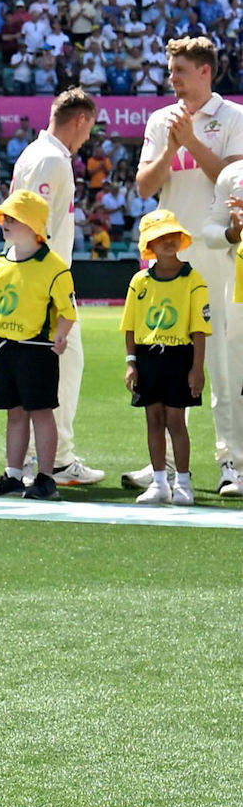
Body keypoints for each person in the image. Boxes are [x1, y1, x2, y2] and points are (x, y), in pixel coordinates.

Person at [133, 39, 243, 495]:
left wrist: (192, 141)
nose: (172, 78)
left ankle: (232, 461)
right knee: (162, 353)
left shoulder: (234, 118)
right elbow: (143, 186)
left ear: (205, 72)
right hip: (167, 253)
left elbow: (234, 180)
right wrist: (169, 146)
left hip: (217, 250)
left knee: (222, 358)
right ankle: (165, 466)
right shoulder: (161, 120)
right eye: (170, 69)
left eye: (179, 69)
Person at [9, 91, 105, 487]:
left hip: (35, 282)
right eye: (90, 127)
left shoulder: (35, 152)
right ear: (80, 119)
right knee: (63, 370)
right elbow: (37, 229)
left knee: (51, 371)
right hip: (47, 286)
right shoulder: (51, 159)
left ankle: (41, 457)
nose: (87, 138)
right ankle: (58, 459)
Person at [0, 188, 72, 503]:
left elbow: (68, 310)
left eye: (13, 218)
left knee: (41, 412)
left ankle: (46, 478)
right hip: (5, 348)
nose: (4, 222)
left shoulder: (54, 266)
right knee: (14, 413)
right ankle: (14, 474)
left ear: (33, 224)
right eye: (4, 217)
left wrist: (62, 333)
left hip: (38, 348)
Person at [124, 211, 216, 506]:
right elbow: (130, 326)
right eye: (160, 236)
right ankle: (159, 482)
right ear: (149, 242)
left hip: (180, 356)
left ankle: (184, 482)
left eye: (172, 235)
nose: (168, 241)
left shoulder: (193, 279)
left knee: (176, 419)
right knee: (153, 418)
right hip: (148, 356)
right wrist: (131, 362)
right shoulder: (140, 281)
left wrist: (196, 368)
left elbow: (199, 328)